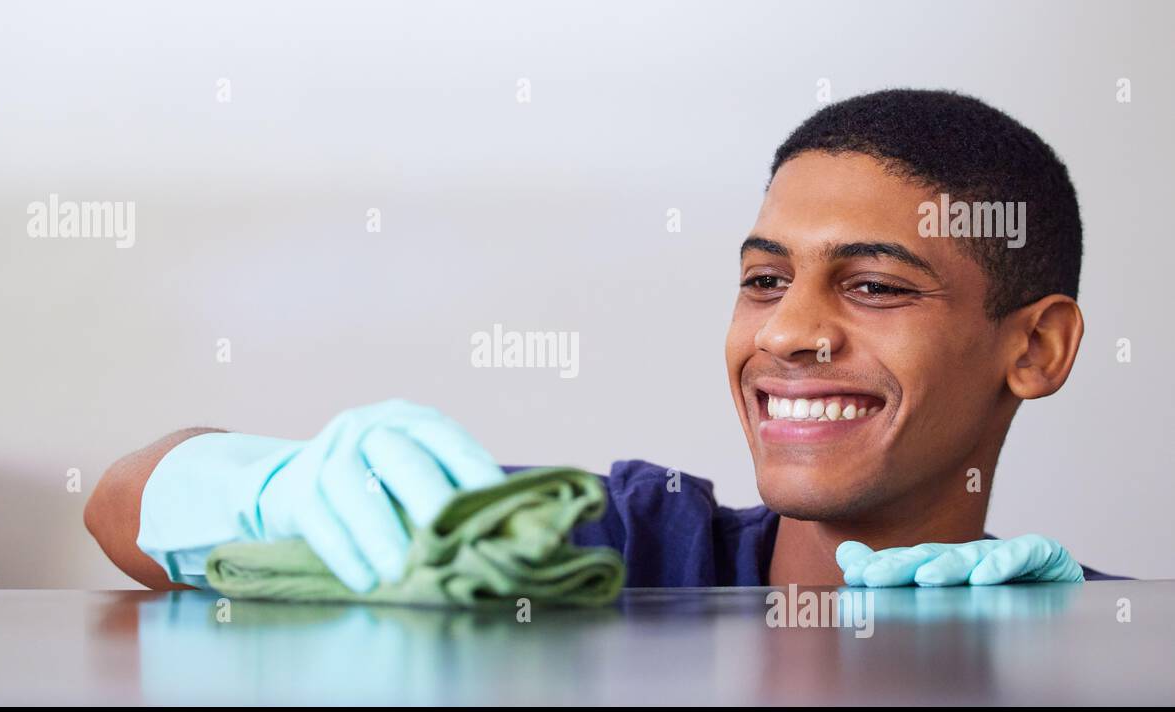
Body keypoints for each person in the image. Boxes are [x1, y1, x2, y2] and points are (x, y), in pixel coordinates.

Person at [84, 89, 1119, 592]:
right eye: (764, 280)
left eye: (875, 284)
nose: (790, 330)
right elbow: (120, 505)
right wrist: (273, 485)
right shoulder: (615, 545)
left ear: (1036, 348)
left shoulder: (1101, 641)